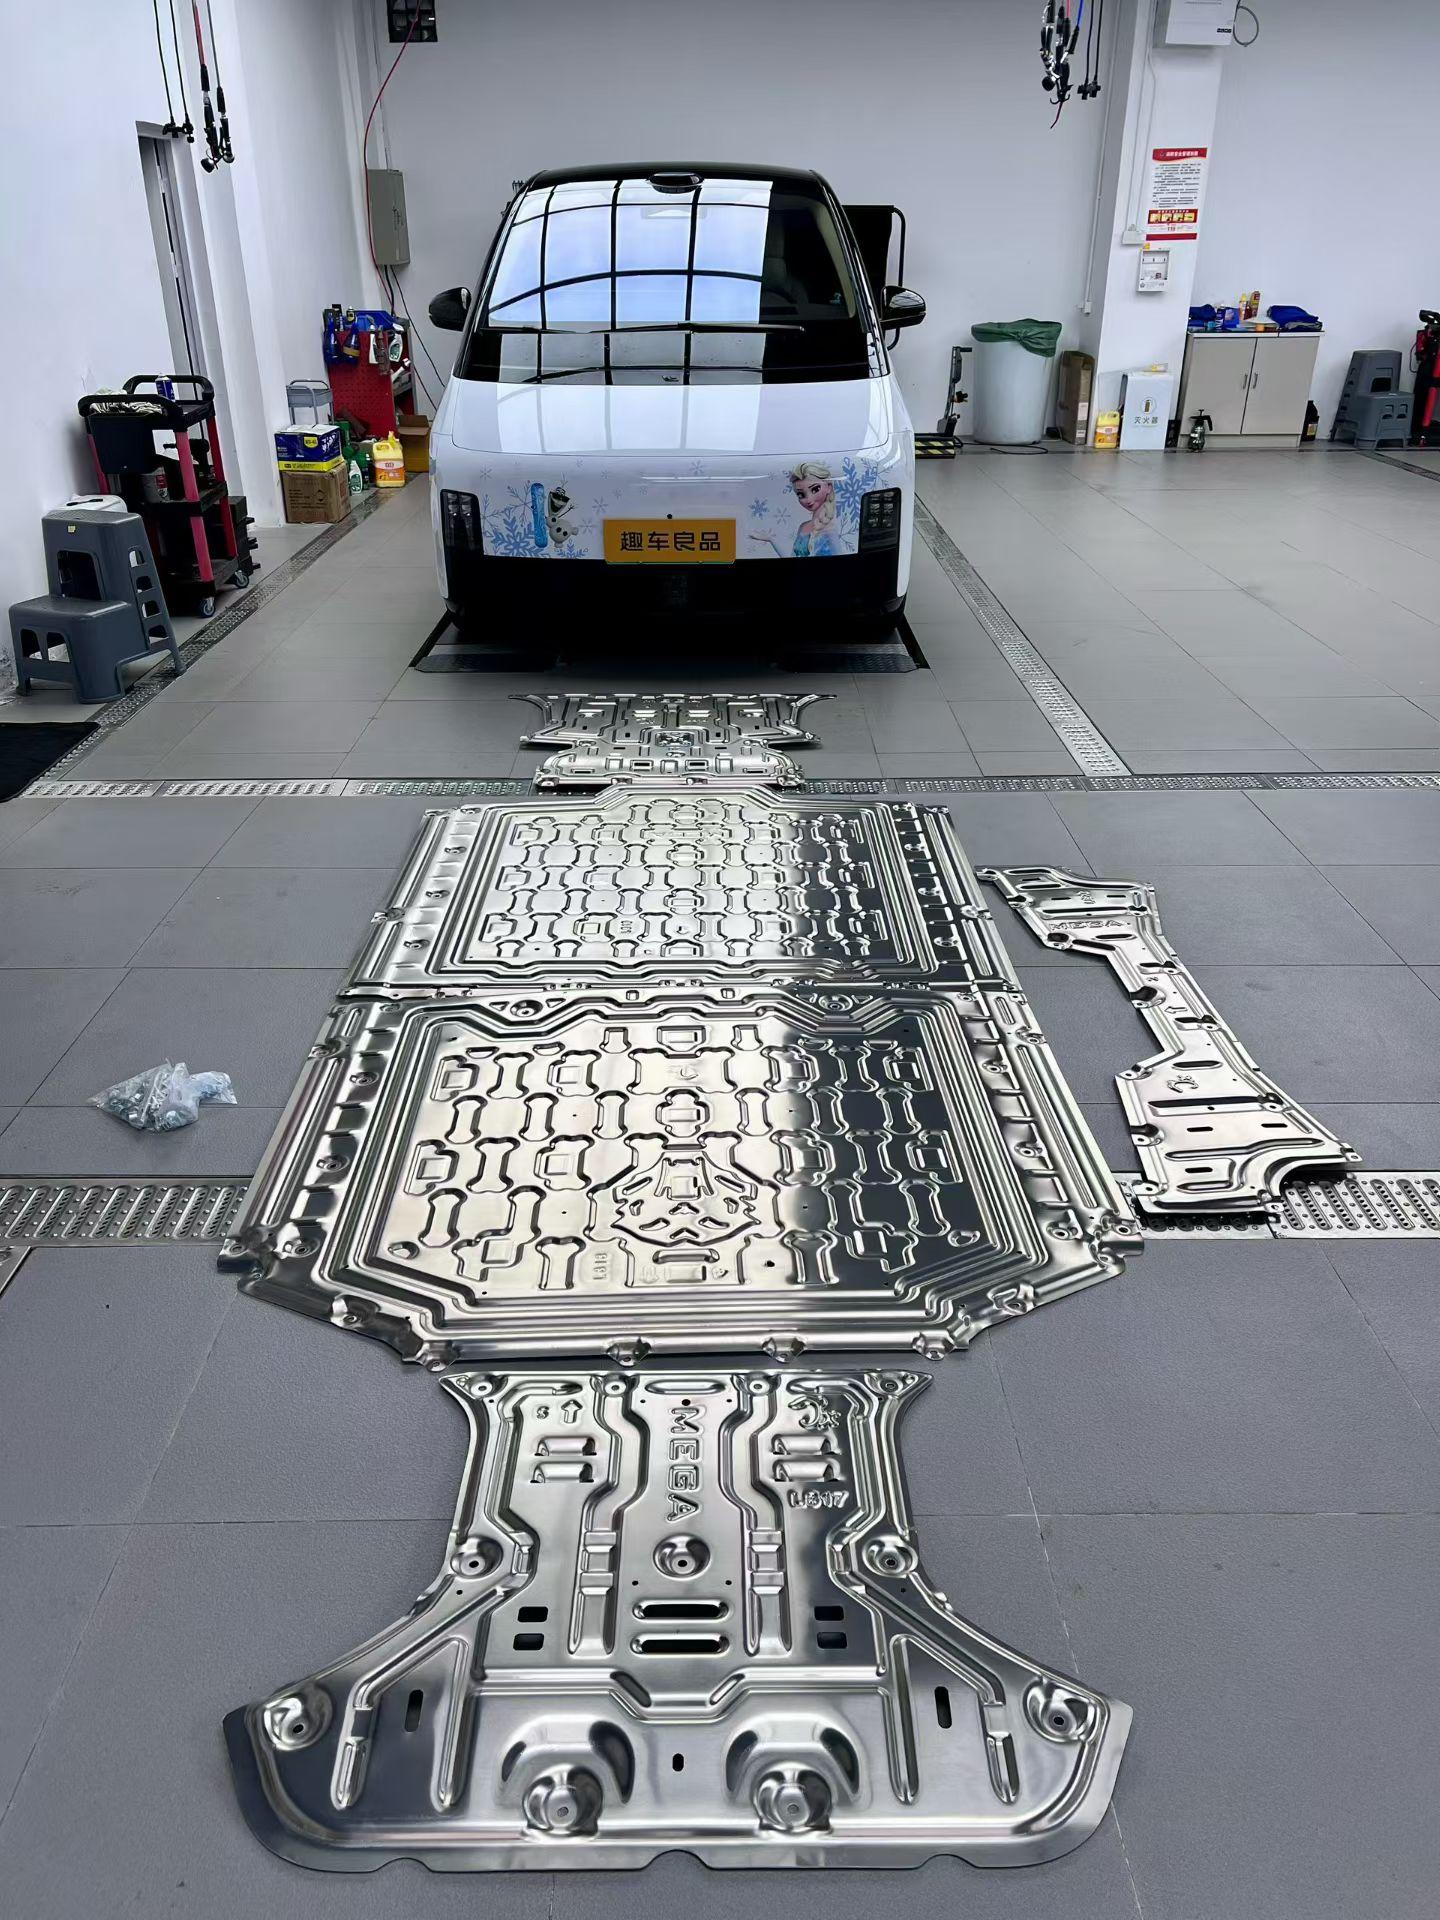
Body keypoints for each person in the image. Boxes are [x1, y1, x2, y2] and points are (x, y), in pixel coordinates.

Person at [751, 462, 845, 556]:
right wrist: (771, 539)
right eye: (801, 495)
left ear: (829, 487)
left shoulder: (830, 529)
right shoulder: (803, 527)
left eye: (815, 489)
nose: (808, 500)